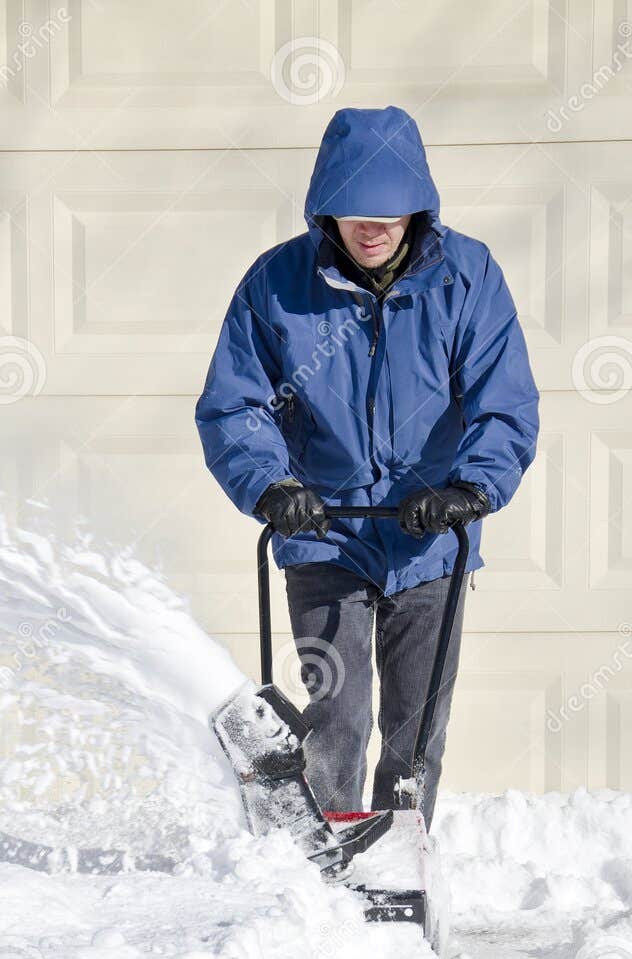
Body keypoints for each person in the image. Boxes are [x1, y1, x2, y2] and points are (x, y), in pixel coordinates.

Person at [196, 106, 538, 827]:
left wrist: (469, 487)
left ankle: (399, 851)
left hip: (430, 540)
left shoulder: (467, 277)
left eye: (388, 214)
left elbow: (503, 402)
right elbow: (234, 405)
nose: (372, 229)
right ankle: (326, 861)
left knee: (416, 728)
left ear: (418, 208)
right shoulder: (277, 282)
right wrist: (272, 486)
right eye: (355, 214)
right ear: (326, 208)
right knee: (337, 717)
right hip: (323, 534)